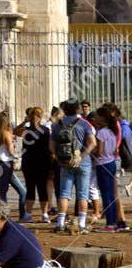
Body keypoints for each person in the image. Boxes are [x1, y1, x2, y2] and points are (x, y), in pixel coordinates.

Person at [51, 97, 96, 231]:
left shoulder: (57, 125)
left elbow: (51, 146)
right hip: (83, 163)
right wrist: (81, 156)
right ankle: (81, 224)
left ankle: (60, 222)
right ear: (78, 109)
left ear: (64, 109)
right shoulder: (84, 123)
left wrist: (58, 159)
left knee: (64, 193)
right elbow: (93, 143)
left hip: (65, 162)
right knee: (82, 194)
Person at [91, 106, 129, 231]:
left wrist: (91, 153)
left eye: (97, 116)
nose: (95, 118)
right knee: (111, 194)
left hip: (103, 164)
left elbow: (100, 152)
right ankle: (113, 222)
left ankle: (110, 224)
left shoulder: (101, 132)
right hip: (111, 162)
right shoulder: (112, 130)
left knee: (106, 195)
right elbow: (113, 149)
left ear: (102, 118)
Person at [16, 107, 54, 223]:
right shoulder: (26, 129)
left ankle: (44, 213)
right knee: (30, 188)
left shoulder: (45, 130)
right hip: (29, 163)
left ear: (40, 117)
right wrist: (24, 121)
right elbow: (14, 131)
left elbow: (49, 149)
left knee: (42, 189)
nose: (34, 118)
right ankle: (28, 214)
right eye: (33, 116)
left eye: (37, 116)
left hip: (41, 162)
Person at [0, 111, 27, 220]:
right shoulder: (5, 133)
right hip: (6, 164)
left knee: (1, 191)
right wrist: (18, 156)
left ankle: (3, 214)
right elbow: (11, 150)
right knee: (16, 191)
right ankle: (17, 215)